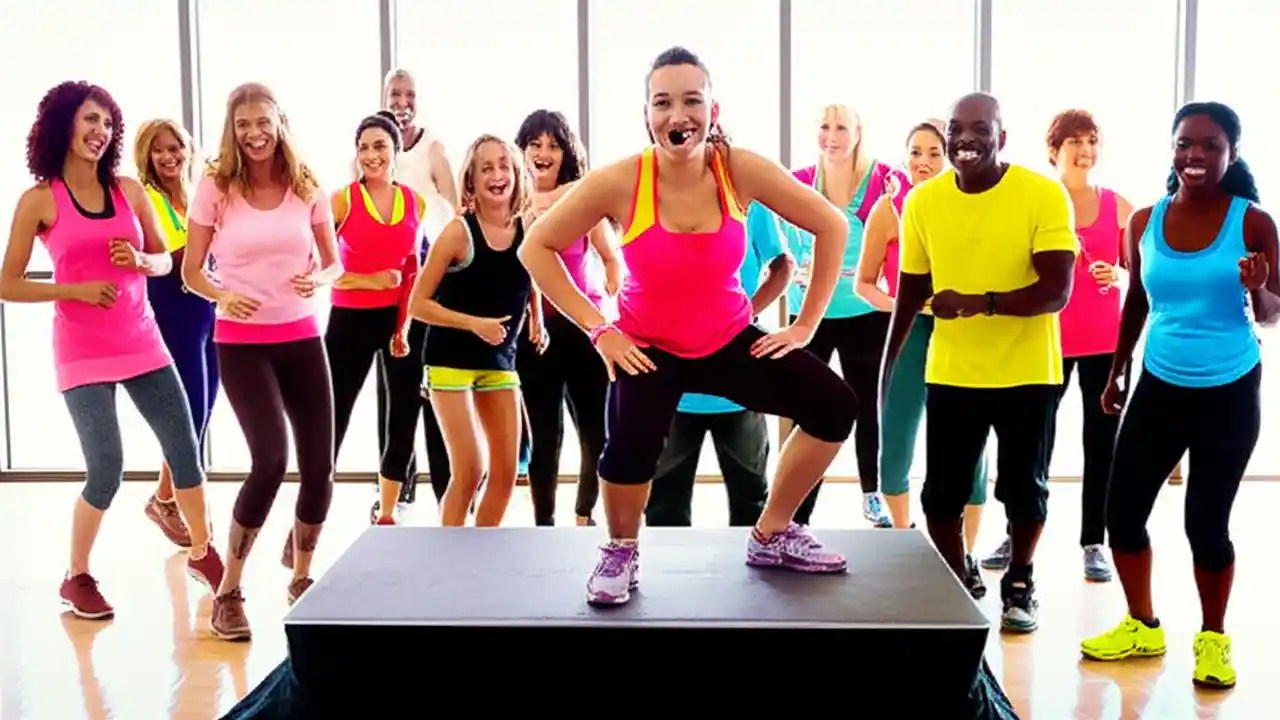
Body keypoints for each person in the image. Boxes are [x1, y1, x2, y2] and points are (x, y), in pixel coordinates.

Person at [519, 46, 856, 607]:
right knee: (626, 449)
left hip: (727, 339)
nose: (679, 115)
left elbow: (830, 225)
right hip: (647, 346)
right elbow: (537, 248)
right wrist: (600, 329)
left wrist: (804, 325)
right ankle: (621, 547)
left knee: (835, 406)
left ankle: (772, 534)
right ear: (646, 115)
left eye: (692, 101)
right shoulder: (620, 180)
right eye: (663, 103)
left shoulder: (739, 168)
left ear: (713, 109)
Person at [0, 81, 223, 619]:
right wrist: (71, 289)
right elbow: (8, 282)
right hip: (82, 350)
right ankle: (76, 577)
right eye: (89, 120)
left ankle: (203, 551)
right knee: (107, 468)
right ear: (62, 126)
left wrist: (142, 263)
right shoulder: (39, 200)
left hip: (142, 339)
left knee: (184, 446)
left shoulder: (129, 190)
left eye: (106, 123)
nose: (100, 132)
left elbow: (165, 260)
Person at [1080, 101, 1278, 691]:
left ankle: (1213, 638)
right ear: (1172, 149)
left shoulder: (1254, 223)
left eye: (1210, 145)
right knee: (1122, 515)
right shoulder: (1143, 221)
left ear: (1231, 154)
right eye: (1185, 144)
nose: (1195, 155)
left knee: (1206, 524)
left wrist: (1260, 286)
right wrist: (1118, 369)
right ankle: (1142, 625)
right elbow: (1137, 301)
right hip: (1159, 384)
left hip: (1229, 390)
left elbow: (1272, 314)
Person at [880, 92, 1076, 633]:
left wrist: (978, 302)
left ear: (1002, 137)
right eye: (957, 130)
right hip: (952, 371)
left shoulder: (1042, 193)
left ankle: (1019, 579)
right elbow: (910, 287)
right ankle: (956, 574)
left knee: (1024, 488)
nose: (966, 139)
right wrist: (888, 362)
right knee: (941, 492)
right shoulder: (923, 202)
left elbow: (1056, 290)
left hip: (1028, 373)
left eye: (980, 129)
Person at [183, 82, 341, 641]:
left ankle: (300, 579)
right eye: (244, 124)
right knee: (270, 459)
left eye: (263, 123)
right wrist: (221, 295)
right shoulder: (216, 188)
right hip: (241, 342)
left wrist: (316, 279)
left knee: (320, 466)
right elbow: (191, 273)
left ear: (280, 122)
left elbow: (334, 264)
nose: (254, 134)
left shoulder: (307, 186)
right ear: (233, 127)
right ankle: (229, 589)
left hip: (301, 337)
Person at [982, 109, 1132, 583]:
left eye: (1092, 141)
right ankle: (1016, 532)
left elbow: (1144, 272)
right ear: (1054, 150)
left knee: (1101, 445)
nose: (1086, 151)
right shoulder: (1038, 203)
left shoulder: (1119, 206)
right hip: (1045, 342)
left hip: (1105, 344)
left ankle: (1094, 542)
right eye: (1075, 142)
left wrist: (1122, 274)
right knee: (1030, 447)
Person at [855, 119, 989, 599]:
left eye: (935, 152)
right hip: (909, 334)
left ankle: (966, 558)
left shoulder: (969, 209)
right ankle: (904, 546)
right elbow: (864, 283)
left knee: (969, 452)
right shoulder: (888, 211)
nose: (924, 161)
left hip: (963, 335)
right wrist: (904, 306)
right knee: (896, 441)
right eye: (916, 152)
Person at [410, 134, 536, 528]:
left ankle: (481, 558)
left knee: (506, 473)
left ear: (516, 174)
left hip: (499, 358)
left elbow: (526, 277)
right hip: (450, 359)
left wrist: (537, 317)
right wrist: (474, 324)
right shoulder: (457, 233)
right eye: (487, 168)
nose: (497, 174)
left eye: (503, 165)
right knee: (471, 469)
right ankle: (450, 566)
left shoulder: (528, 229)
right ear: (471, 182)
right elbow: (418, 304)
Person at [785, 103, 900, 528]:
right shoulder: (798, 181)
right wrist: (794, 265)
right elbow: (773, 227)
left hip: (864, 313)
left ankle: (871, 494)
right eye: (824, 126)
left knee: (867, 405)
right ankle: (798, 507)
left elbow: (900, 235)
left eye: (840, 127)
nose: (831, 136)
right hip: (810, 315)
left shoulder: (882, 180)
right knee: (809, 409)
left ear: (857, 133)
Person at [645, 200, 793, 527]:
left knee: (750, 501)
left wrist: (746, 315)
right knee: (664, 505)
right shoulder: (655, 198)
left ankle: (755, 572)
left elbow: (783, 266)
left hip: (739, 380)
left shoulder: (748, 203)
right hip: (674, 381)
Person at [515, 109, 620, 526]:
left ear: (566, 153)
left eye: (553, 146)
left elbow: (612, 257)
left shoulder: (583, 201)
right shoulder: (512, 202)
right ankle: (544, 523)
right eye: (535, 144)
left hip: (583, 328)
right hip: (535, 332)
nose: (543, 153)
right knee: (545, 437)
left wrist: (613, 284)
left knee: (596, 431)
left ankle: (584, 514)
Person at [326, 111, 426, 525]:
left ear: (396, 151)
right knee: (333, 417)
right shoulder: (342, 200)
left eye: (380, 145)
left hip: (399, 322)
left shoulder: (414, 201)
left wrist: (404, 325)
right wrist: (368, 280)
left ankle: (386, 513)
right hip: (349, 321)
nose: (371, 154)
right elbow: (318, 268)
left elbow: (412, 271)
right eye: (364, 146)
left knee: (403, 415)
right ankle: (311, 513)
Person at [132, 118, 220, 549]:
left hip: (208, 310)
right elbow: (168, 254)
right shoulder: (145, 199)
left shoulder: (195, 195)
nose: (169, 157)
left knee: (203, 413)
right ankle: (182, 510)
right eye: (159, 150)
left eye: (176, 148)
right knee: (190, 415)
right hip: (173, 312)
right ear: (146, 155)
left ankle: (165, 495)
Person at [377, 68, 456, 507]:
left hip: (431, 280)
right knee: (393, 390)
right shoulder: (373, 149)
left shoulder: (433, 148)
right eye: (395, 93)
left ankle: (448, 487)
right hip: (387, 286)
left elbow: (456, 207)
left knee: (435, 382)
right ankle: (395, 489)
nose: (402, 101)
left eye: (410, 94)